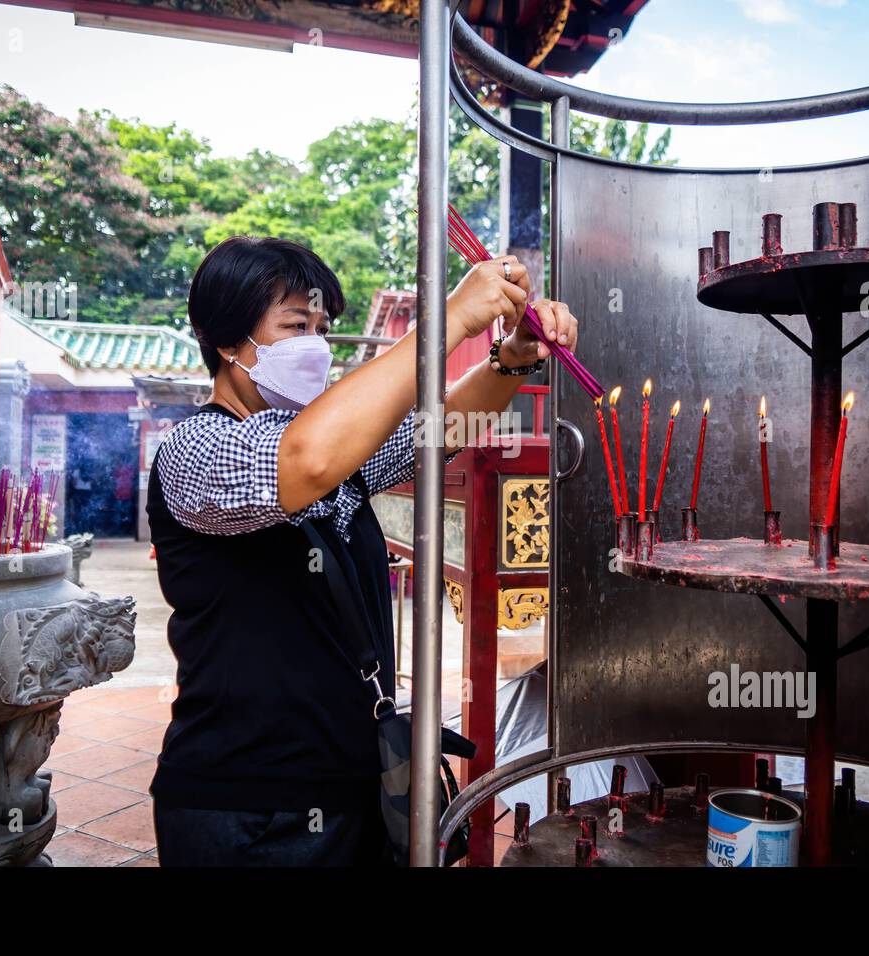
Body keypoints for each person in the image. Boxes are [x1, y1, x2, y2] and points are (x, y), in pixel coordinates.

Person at [148, 236, 578, 866]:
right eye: (296, 325)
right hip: (248, 806)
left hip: (353, 786)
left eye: (322, 327)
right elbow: (305, 462)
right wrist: (448, 319)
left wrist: (511, 358)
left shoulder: (334, 449)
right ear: (226, 341)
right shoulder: (197, 448)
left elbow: (444, 428)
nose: (315, 344)